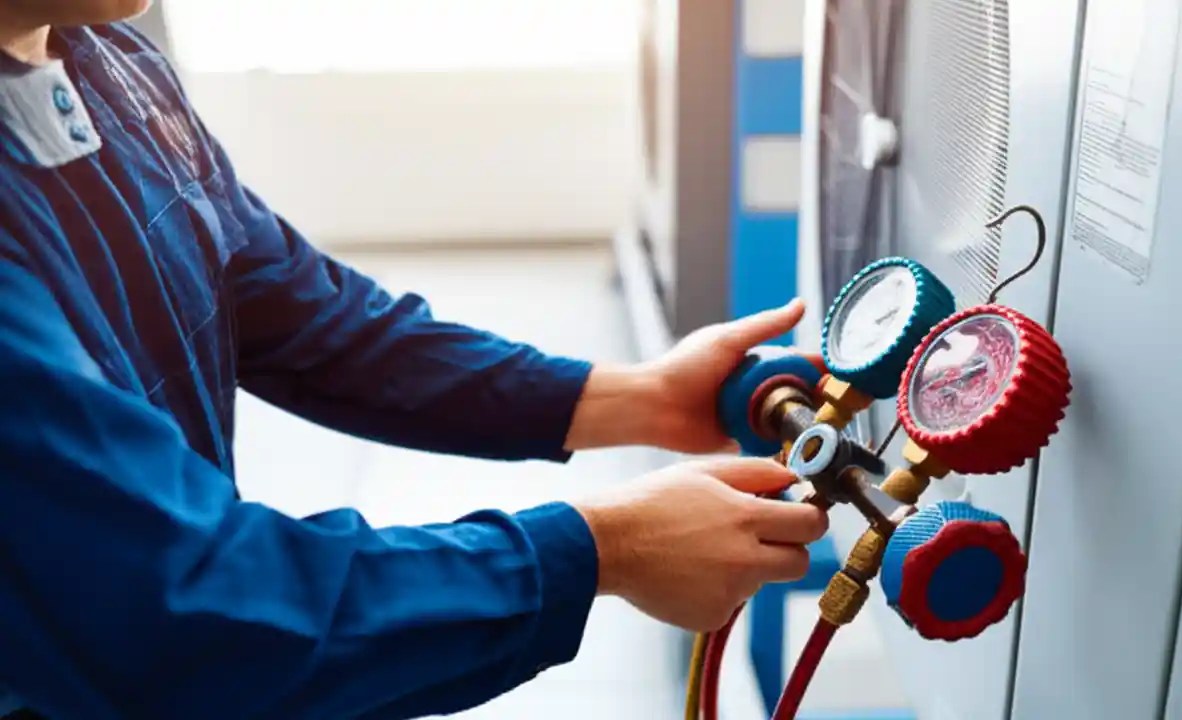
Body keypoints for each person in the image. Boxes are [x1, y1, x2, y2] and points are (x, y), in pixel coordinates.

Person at [0, 2, 830, 718]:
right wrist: (601, 550)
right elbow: (183, 608)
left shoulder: (107, 63)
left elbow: (304, 313)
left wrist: (633, 398)